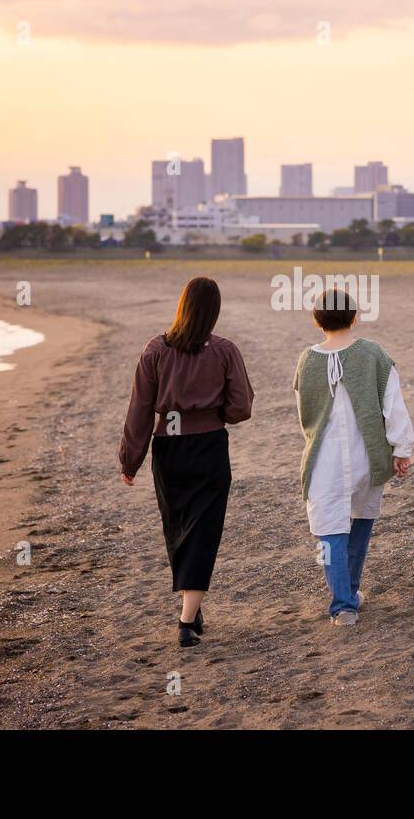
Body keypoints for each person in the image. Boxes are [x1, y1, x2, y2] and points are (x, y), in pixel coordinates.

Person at [119, 277, 254, 647]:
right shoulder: (225, 350)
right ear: (214, 311)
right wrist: (214, 414)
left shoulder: (155, 350)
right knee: (204, 531)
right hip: (209, 446)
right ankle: (185, 621)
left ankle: (191, 610)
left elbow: (140, 411)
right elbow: (241, 407)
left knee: (179, 530)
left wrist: (130, 459)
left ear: (182, 306)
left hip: (169, 451)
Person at [293, 288, 414, 626]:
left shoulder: (307, 359)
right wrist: (401, 449)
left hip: (324, 459)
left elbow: (304, 414)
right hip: (367, 453)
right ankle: (350, 591)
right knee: (360, 518)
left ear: (317, 321)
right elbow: (393, 406)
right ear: (355, 316)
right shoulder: (373, 352)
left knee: (331, 527)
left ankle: (344, 604)